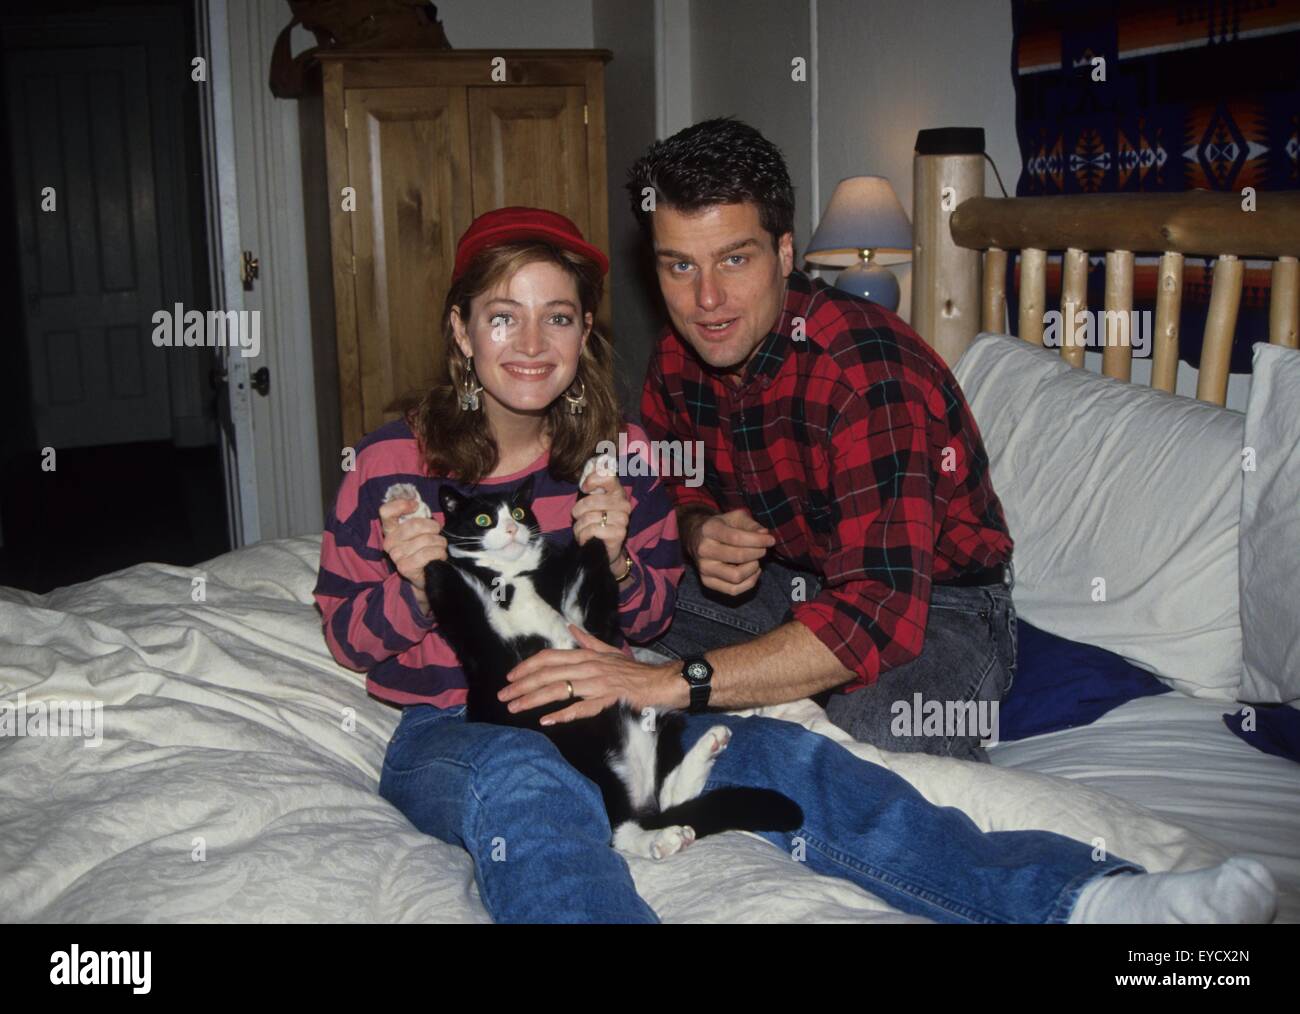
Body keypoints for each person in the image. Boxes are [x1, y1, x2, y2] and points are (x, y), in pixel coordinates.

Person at [316, 206, 1276, 925]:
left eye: (558, 318)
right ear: (459, 328)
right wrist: (414, 590)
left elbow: (649, 618)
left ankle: (1088, 900)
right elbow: (347, 634)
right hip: (457, 729)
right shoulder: (392, 464)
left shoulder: (621, 455)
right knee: (533, 789)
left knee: (790, 755)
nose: (531, 346)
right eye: (503, 317)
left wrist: (614, 560)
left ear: (584, 333)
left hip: (612, 709)